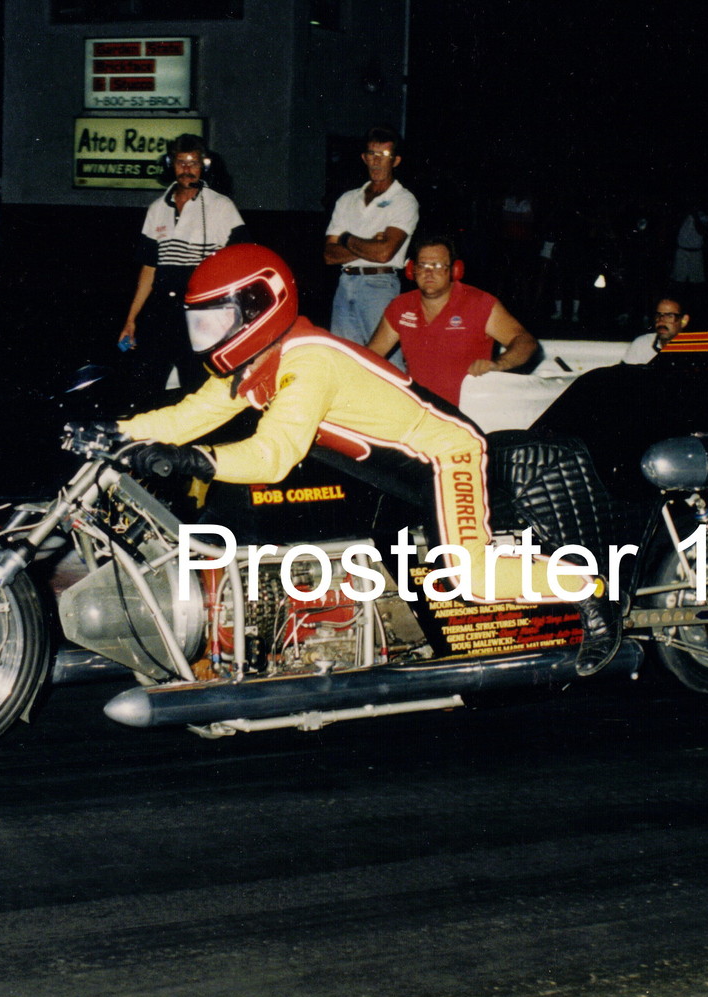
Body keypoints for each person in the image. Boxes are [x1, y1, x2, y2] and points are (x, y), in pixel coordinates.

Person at [116, 244, 620, 675]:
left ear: (258, 309)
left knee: (472, 577)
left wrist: (195, 460)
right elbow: (187, 415)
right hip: (386, 469)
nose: (209, 335)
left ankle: (591, 590)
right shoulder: (258, 363)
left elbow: (271, 456)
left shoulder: (309, 360)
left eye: (218, 320)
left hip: (443, 453)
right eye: (201, 323)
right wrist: (114, 433)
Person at [120, 135, 249, 398]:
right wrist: (131, 319)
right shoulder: (157, 208)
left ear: (204, 166)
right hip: (161, 312)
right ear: (171, 165)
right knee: (146, 386)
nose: (187, 169)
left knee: (196, 388)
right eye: (181, 162)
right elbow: (149, 270)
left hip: (202, 313)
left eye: (193, 163)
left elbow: (241, 260)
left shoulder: (221, 206)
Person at [365, 236, 538, 407]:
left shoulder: (479, 304)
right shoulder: (400, 306)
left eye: (438, 266)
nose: (429, 272)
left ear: (455, 270)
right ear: (412, 270)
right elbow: (371, 355)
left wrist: (499, 364)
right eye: (422, 265)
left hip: (469, 409)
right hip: (419, 409)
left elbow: (525, 341)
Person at [323, 127, 419, 346]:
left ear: (395, 161)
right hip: (344, 284)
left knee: (383, 358)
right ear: (364, 158)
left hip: (379, 285)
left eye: (384, 155)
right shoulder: (347, 199)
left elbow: (384, 253)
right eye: (372, 154)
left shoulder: (404, 200)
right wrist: (371, 244)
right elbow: (329, 255)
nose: (376, 161)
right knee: (344, 356)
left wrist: (345, 238)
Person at [623, 296, 689, 364]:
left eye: (669, 316)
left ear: (684, 321)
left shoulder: (692, 348)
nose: (661, 321)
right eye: (658, 315)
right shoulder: (642, 344)